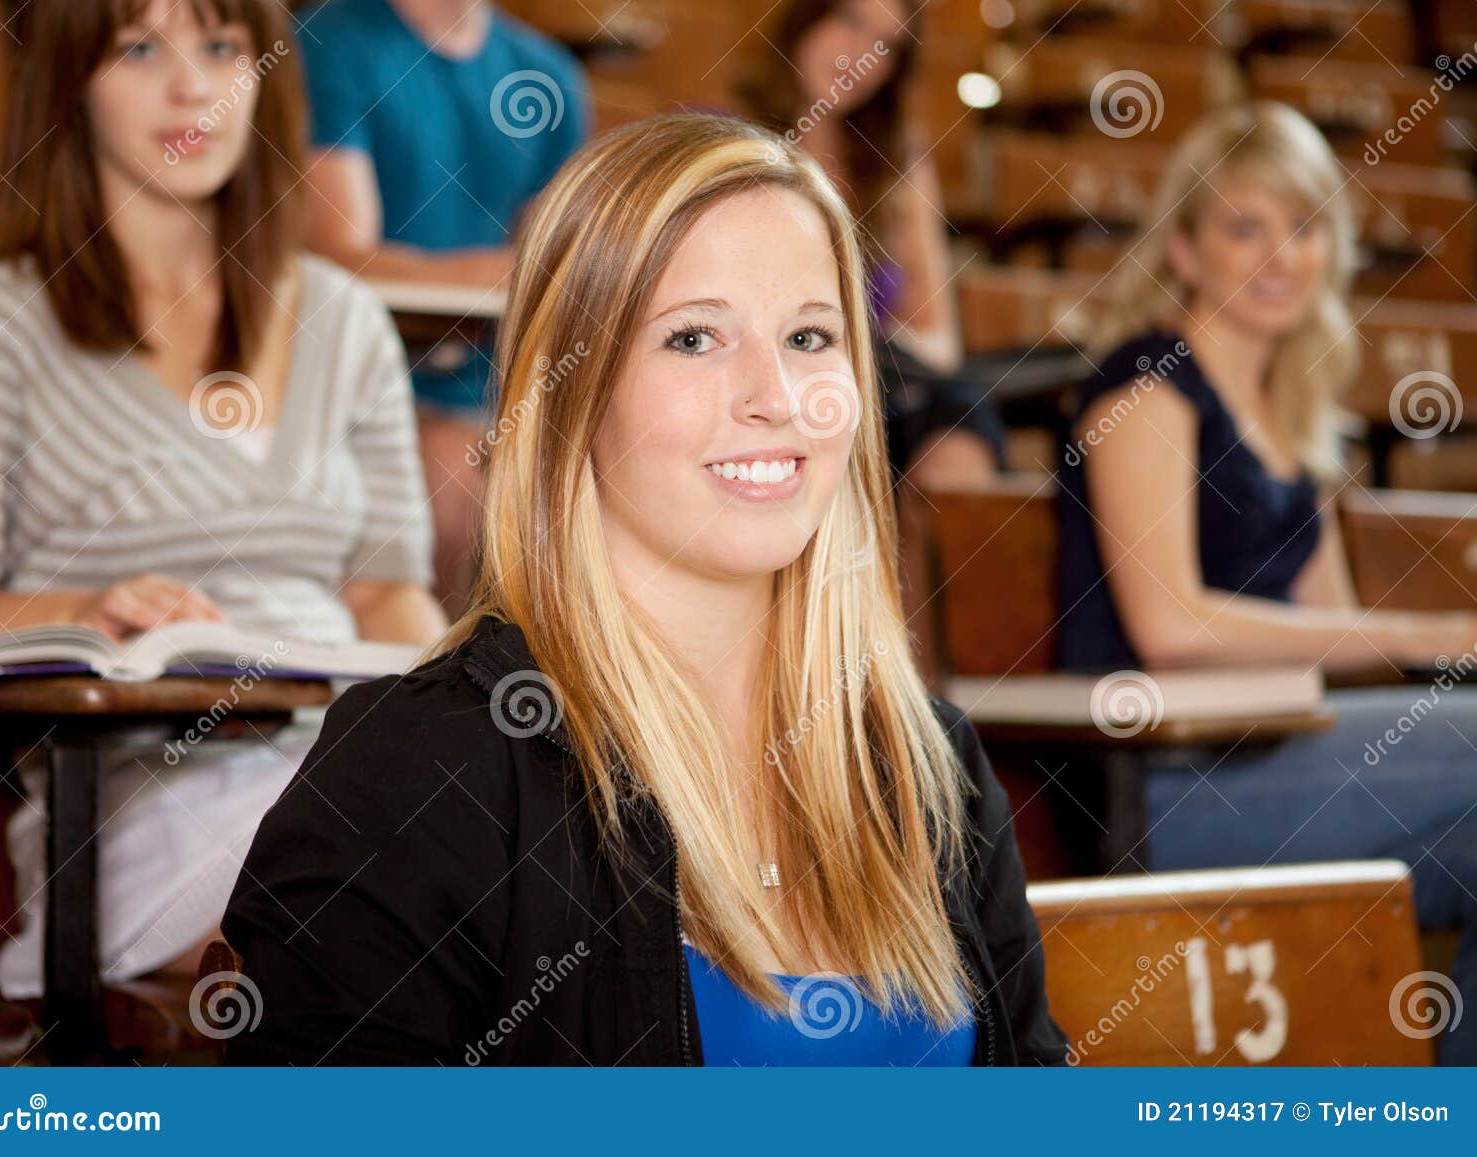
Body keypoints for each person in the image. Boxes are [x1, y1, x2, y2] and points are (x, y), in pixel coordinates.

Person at [221, 113, 1067, 1066]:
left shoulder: (925, 763)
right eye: (695, 337)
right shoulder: (426, 767)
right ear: (571, 391)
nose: (775, 397)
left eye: (808, 335)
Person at [0, 0, 446, 1000]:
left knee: (549, 862)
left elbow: (390, 597)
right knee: (402, 907)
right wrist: (80, 613)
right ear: (70, 84)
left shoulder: (346, 318)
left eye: (223, 47)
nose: (194, 87)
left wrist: (443, 717)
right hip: (142, 801)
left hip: (347, 762)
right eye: (141, 48)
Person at [1058, 102, 1477, 1064]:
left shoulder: (1296, 411)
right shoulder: (1147, 384)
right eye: (1248, 226)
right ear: (1185, 248)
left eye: (1305, 227)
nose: (1282, 255)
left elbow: (1336, 632)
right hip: (1165, 778)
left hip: (1288, 760)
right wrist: (1431, 638)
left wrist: (1414, 653)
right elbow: (1169, 625)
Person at [297, 0, 590, 615]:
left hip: (498, 383)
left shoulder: (549, 74)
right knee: (453, 475)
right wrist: (501, 273)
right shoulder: (328, 43)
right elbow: (336, 254)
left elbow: (560, 259)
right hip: (361, 382)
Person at [736, 0, 1004, 489]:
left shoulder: (895, 159)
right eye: (851, 22)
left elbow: (938, 338)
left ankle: (905, 566)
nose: (860, 57)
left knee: (960, 416)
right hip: (760, 379)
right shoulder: (726, 140)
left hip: (870, 389)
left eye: (885, 46)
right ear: (806, 18)